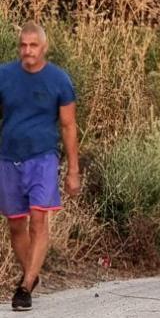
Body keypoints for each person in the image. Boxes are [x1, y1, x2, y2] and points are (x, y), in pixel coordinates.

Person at [0, 23, 80, 311]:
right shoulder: (4, 75)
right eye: (23, 45)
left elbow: (69, 126)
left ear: (44, 47)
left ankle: (24, 288)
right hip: (9, 158)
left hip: (43, 158)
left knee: (38, 218)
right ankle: (32, 275)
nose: (27, 51)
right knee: (15, 223)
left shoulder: (59, 80)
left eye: (33, 45)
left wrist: (73, 170)